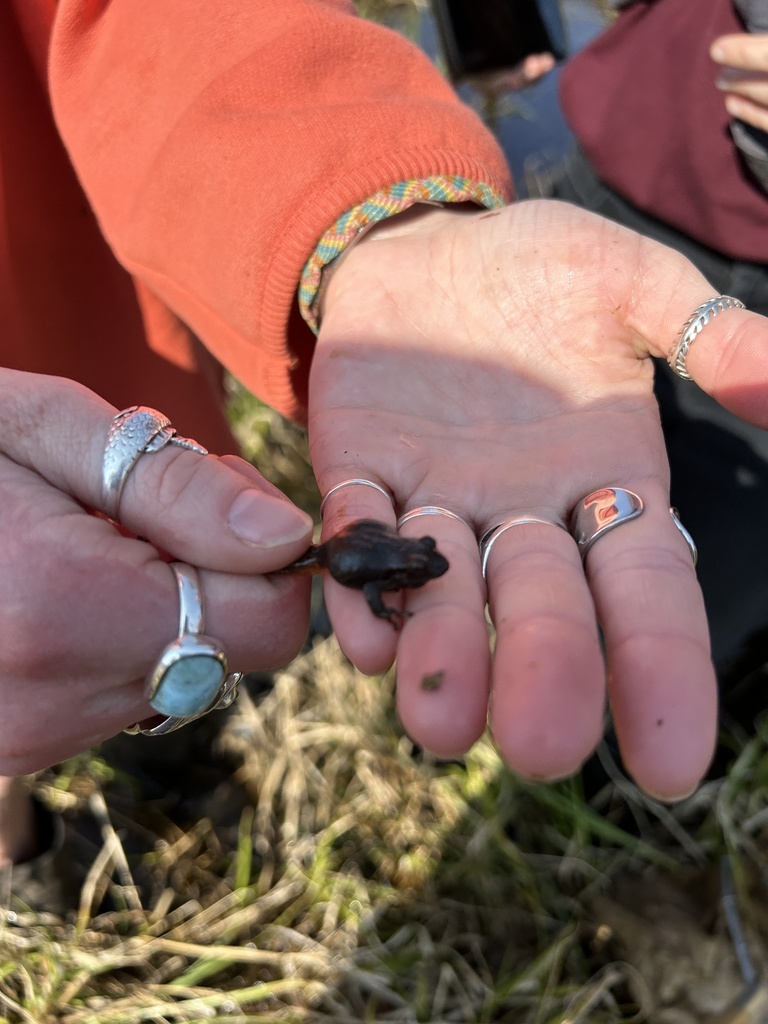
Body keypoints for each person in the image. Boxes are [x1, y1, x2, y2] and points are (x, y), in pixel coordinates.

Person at [3, 0, 768, 888]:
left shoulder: (398, 561)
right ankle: (30, 834)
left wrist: (381, 221)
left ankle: (176, 745)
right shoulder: (397, 565)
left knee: (174, 571)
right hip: (53, 315)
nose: (425, 568)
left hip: (100, 337)